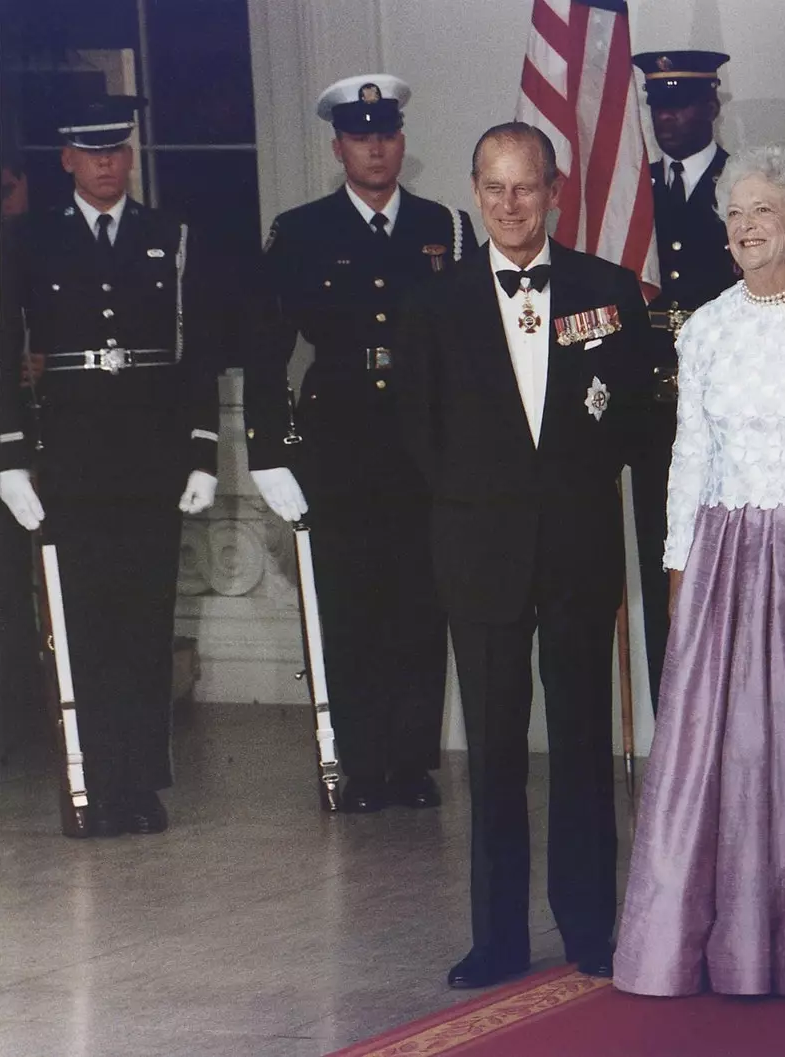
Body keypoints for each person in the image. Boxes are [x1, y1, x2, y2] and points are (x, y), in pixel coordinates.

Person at [613, 144, 785, 997]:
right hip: (725, 560)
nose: (739, 227)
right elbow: (689, 454)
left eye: (760, 211)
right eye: (733, 214)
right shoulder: (705, 327)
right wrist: (677, 560)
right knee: (724, 753)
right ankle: (728, 947)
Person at [394, 122, 651, 990]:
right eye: (496, 188)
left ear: (554, 191)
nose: (511, 205)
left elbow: (634, 427)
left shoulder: (609, 291)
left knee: (581, 746)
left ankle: (591, 929)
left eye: (527, 187)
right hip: (479, 554)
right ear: (475, 191)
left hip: (578, 550)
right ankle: (497, 940)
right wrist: (485, 502)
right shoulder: (432, 302)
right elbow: (418, 433)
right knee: (495, 755)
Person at [243, 75, 477, 813]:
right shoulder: (301, 230)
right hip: (337, 440)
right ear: (339, 146)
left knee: (418, 604)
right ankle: (353, 761)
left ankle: (409, 763)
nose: (376, 146)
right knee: (348, 606)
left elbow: (470, 346)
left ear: (401, 143)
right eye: (360, 135)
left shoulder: (446, 228)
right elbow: (264, 348)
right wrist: (267, 449)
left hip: (421, 444)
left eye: (387, 133)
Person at [0, 95, 220, 837]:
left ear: (130, 156)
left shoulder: (169, 236)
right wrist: (9, 459)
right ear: (67, 159)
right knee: (85, 623)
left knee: (146, 620)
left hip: (152, 453)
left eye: (117, 151)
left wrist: (201, 449)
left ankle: (138, 782)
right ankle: (91, 782)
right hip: (72, 454)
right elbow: (4, 349)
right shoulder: (28, 241)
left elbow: (196, 353)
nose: (105, 164)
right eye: (91, 152)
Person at [626, 49, 739, 708]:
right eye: (659, 104)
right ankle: (675, 729)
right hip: (648, 418)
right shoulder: (628, 192)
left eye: (683, 103)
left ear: (711, 107)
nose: (669, 117)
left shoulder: (740, 188)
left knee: (728, 574)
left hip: (724, 415)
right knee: (658, 566)